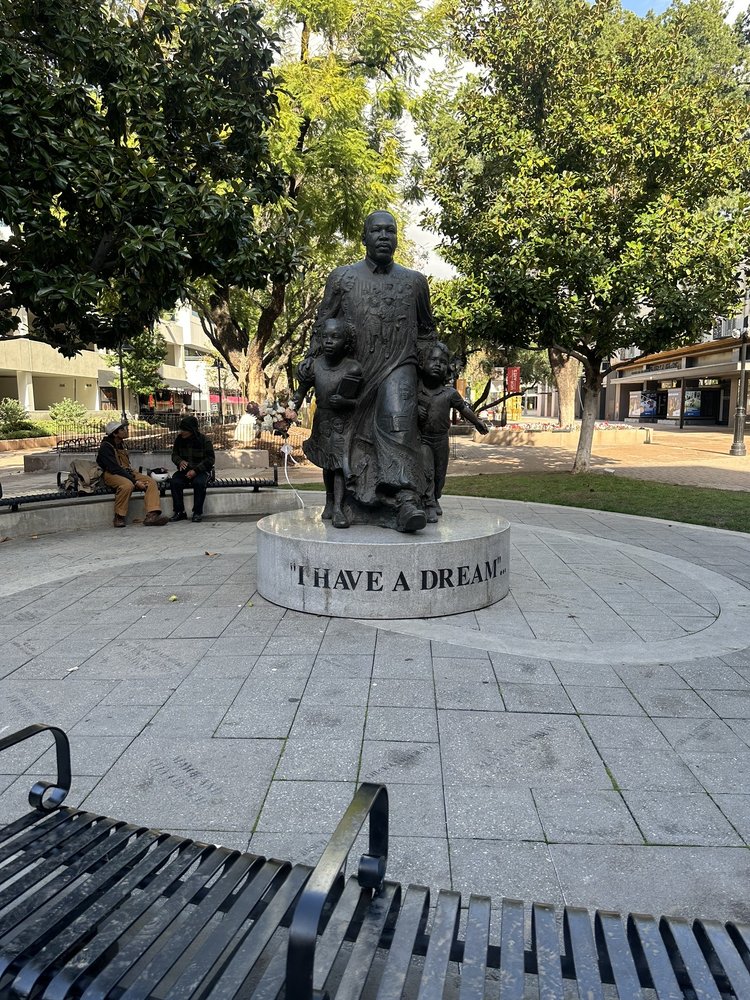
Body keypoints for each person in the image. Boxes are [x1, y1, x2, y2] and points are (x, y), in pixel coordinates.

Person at [309, 210, 436, 532]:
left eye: (390, 231)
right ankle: (351, 500)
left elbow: (426, 331)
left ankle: (406, 499)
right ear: (364, 237)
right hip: (354, 370)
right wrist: (313, 362)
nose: (384, 236)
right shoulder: (342, 278)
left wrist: (432, 369)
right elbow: (324, 323)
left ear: (397, 237)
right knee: (345, 438)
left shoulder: (414, 282)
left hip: (399, 365)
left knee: (398, 423)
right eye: (377, 231)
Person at [290, 317, 362, 528]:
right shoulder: (314, 366)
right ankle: (329, 500)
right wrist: (287, 411)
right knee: (327, 463)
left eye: (335, 337)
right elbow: (300, 393)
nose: (329, 342)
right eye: (325, 337)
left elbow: (362, 402)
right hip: (322, 420)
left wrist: (346, 401)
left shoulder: (353, 368)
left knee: (339, 464)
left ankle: (339, 507)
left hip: (343, 422)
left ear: (346, 343)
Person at [418, 342, 489, 521]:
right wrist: (415, 410)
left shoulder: (449, 393)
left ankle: (435, 497)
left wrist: (477, 422)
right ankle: (428, 504)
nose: (437, 364)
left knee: (440, 475)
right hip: (422, 439)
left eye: (442, 362)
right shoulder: (415, 390)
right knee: (427, 470)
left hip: (441, 440)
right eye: (433, 360)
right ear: (422, 363)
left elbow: (463, 409)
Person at [96, 421, 169, 528]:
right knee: (127, 485)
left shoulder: (121, 443)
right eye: (122, 429)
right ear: (115, 433)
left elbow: (125, 466)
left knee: (151, 481)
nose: (125, 431)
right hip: (111, 474)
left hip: (126, 472)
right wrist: (135, 481)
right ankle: (119, 516)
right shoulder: (106, 447)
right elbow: (114, 468)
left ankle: (152, 515)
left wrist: (134, 477)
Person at [169, 415, 215, 523]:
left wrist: (196, 470)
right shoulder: (179, 440)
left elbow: (210, 460)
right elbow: (174, 455)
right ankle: (180, 512)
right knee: (174, 482)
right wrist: (179, 461)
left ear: (191, 430)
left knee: (199, 483)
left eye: (184, 430)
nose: (182, 432)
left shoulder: (204, 440)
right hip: (184, 471)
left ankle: (197, 512)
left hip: (201, 471)